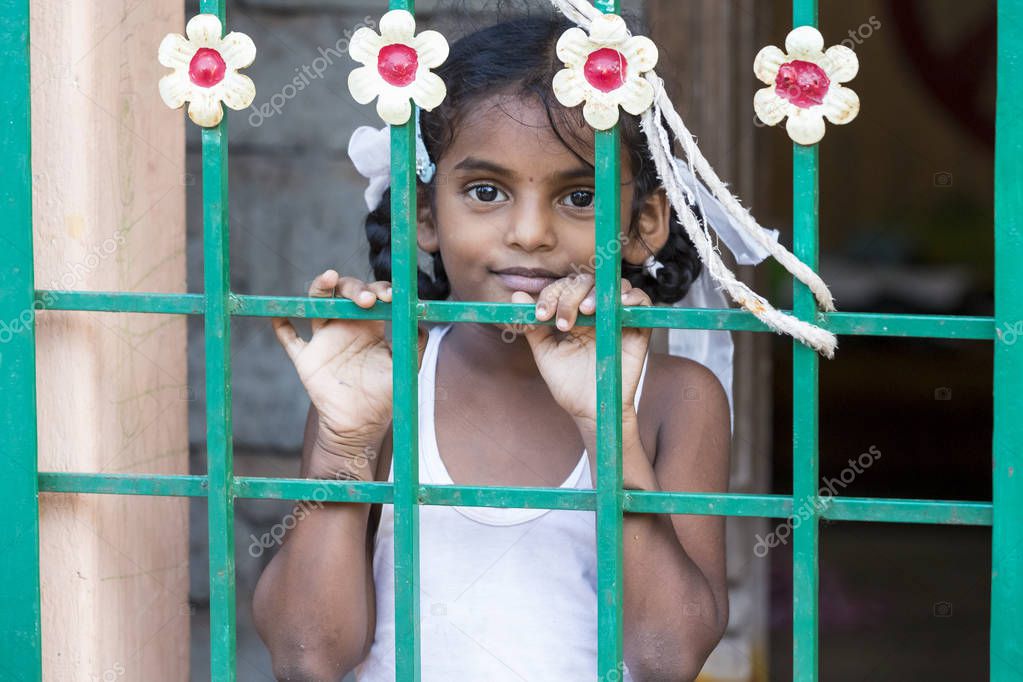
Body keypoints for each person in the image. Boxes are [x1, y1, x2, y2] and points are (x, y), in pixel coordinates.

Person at [254, 13, 732, 681]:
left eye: (580, 195)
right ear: (424, 213)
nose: (530, 233)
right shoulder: (385, 380)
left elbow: (667, 658)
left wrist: (608, 427)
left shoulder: (675, 399)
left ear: (642, 224)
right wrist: (344, 446)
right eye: (486, 192)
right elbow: (307, 657)